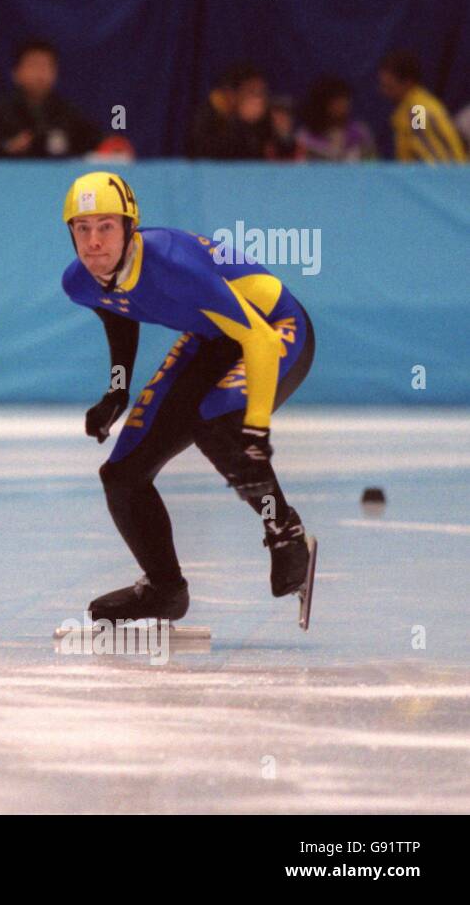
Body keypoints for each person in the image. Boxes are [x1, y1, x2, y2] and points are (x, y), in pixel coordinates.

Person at [59, 171, 315, 623]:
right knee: (122, 475)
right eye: (83, 228)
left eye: (106, 227)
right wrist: (117, 390)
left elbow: (256, 340)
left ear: (129, 228)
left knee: (217, 421)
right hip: (211, 335)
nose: (93, 241)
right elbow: (117, 313)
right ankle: (164, 590)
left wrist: (254, 432)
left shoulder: (174, 266)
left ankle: (284, 530)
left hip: (273, 328)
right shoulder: (79, 281)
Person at [0, 39, 101, 158]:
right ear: (16, 73)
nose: (40, 74)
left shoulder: (68, 112)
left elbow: (94, 143)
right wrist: (9, 148)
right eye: (33, 66)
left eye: (46, 66)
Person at [377, 50, 466, 163]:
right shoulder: (410, 107)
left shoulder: (417, 110)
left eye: (389, 86)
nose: (383, 91)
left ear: (407, 82)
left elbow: (427, 151)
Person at [186, 63, 272, 159]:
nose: (258, 99)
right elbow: (208, 155)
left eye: (262, 92)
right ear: (231, 94)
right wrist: (242, 124)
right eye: (251, 92)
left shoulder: (264, 120)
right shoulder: (209, 115)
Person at [296, 76, 376, 161]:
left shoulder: (361, 133)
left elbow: (373, 165)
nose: (343, 106)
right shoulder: (306, 138)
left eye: (345, 100)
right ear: (323, 104)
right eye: (337, 102)